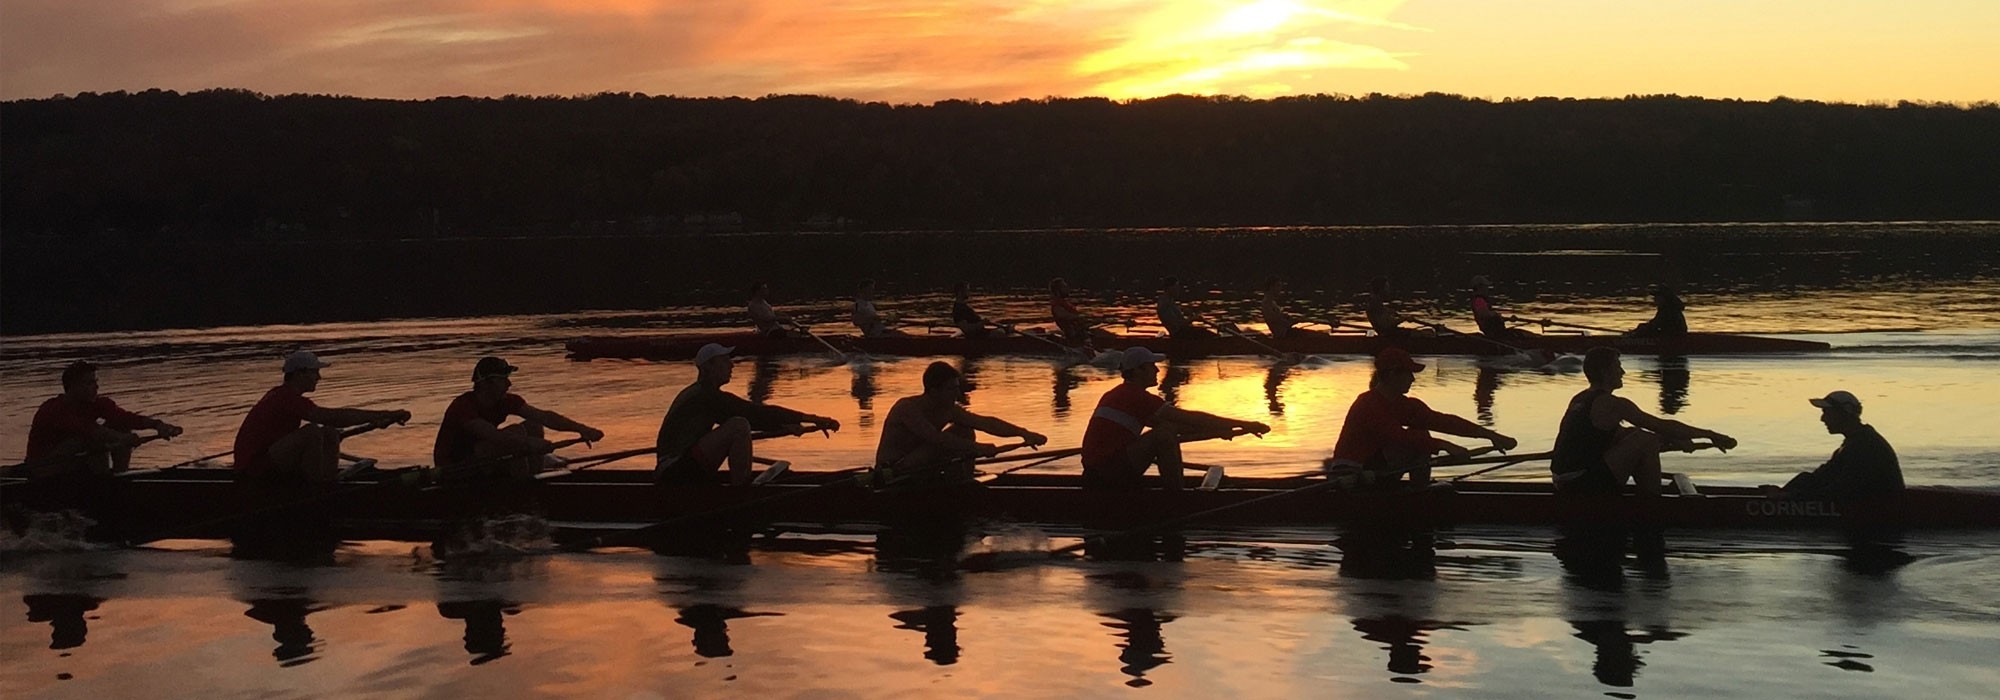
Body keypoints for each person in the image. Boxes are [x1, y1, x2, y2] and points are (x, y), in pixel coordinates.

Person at [1550, 347, 1737, 496]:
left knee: (1636, 435)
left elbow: (1619, 436)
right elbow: (1662, 425)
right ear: (1605, 372)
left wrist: (1675, 440)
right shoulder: (1613, 404)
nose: (1622, 372)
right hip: (1580, 484)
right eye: (1618, 366)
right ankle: (1652, 505)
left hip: (1563, 482)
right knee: (1645, 440)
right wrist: (1710, 434)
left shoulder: (1581, 398)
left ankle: (1646, 498)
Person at [1081, 347, 1269, 490]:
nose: (1157, 370)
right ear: (1138, 371)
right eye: (1151, 366)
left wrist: (1219, 430)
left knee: (1166, 430)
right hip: (1107, 473)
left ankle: (1174, 491)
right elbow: (1189, 419)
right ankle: (1176, 496)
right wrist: (1245, 424)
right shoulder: (1136, 397)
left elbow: (1180, 426)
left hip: (1100, 471)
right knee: (1164, 435)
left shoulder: (1118, 395)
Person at [1327, 348, 1518, 488]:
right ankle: (1420, 494)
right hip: (1352, 473)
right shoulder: (1368, 404)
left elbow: (1443, 422)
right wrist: (1444, 445)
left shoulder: (1403, 404)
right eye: (1409, 373)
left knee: (1421, 433)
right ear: (1393, 374)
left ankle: (1418, 491)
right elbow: (1398, 437)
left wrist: (1490, 435)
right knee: (1419, 439)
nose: (1413, 379)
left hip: (1377, 470)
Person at [656, 343, 839, 486]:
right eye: (724, 361)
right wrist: (812, 418)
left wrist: (785, 425)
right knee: (738, 426)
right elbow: (754, 413)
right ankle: (741, 491)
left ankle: (740, 485)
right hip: (674, 471)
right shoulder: (705, 396)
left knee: (740, 424)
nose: (731, 365)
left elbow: (756, 419)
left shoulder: (704, 395)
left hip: (682, 466)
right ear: (709, 367)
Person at [232, 351, 411, 485]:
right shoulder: (285, 398)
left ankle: (328, 481)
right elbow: (331, 417)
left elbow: (331, 421)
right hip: (253, 469)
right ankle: (316, 487)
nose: (319, 377)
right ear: (300, 373)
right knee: (312, 432)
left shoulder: (286, 396)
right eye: (314, 372)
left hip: (270, 458)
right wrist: (384, 414)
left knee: (329, 432)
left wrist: (377, 419)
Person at [433, 357, 605, 483]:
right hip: (455, 466)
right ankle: (523, 488)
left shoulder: (506, 400)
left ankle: (535, 478)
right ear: (485, 383)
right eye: (503, 379)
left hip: (484, 457)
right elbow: (493, 435)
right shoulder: (462, 406)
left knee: (533, 426)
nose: (509, 384)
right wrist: (530, 442)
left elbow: (545, 417)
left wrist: (582, 429)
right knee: (516, 433)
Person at [875, 361, 1047, 480]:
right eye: (951, 389)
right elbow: (936, 438)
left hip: (923, 465)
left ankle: (964, 479)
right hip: (893, 470)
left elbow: (986, 423)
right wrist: (977, 447)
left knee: (965, 430)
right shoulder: (907, 408)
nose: (957, 395)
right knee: (951, 440)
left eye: (957, 388)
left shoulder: (948, 409)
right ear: (934, 391)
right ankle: (961, 483)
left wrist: (1024, 433)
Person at [19, 361, 183, 479]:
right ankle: (104, 483)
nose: (96, 387)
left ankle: (120, 477)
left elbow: (125, 418)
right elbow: (91, 430)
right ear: (73, 386)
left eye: (95, 382)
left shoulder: (97, 404)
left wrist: (158, 425)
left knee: (121, 426)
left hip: (74, 462)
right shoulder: (54, 409)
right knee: (90, 440)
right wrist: (122, 438)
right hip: (42, 468)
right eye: (89, 383)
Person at [1761, 391, 1902, 502]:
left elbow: (1841, 490)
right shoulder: (1855, 441)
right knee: (1804, 478)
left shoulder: (1865, 446)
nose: (1822, 419)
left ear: (1844, 414)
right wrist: (1785, 493)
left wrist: (1790, 497)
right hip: (1863, 503)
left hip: (1875, 510)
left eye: (1827, 412)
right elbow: (1820, 477)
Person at [1468, 276, 1538, 342]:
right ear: (1480, 287)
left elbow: (1489, 316)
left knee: (1520, 333)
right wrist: (1496, 314)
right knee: (1521, 335)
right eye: (1485, 286)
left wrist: (1506, 318)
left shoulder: (1480, 300)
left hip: (1497, 332)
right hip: (1494, 333)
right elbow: (1484, 314)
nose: (1487, 288)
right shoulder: (1479, 301)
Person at [1157, 277, 1215, 341]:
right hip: (1179, 335)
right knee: (1207, 334)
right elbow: (1178, 324)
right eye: (1176, 287)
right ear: (1169, 288)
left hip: (1182, 332)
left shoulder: (1169, 301)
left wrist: (1184, 310)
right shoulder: (1165, 304)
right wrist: (1193, 318)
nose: (1178, 290)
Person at [1049, 277, 1100, 346]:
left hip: (1081, 333)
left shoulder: (1064, 303)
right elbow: (1063, 315)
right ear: (1058, 291)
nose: (1067, 289)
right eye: (1064, 287)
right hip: (1074, 336)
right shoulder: (1056, 305)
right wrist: (1080, 318)